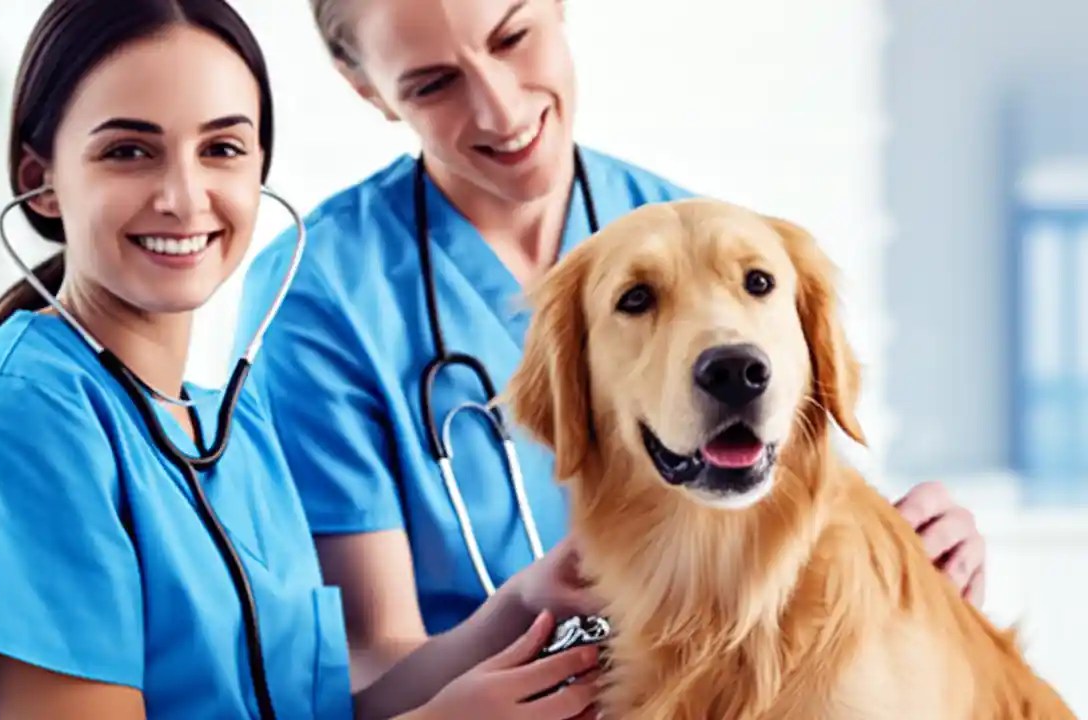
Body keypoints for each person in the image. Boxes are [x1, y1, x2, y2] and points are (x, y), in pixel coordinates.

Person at [0, 1, 607, 718]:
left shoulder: (227, 426)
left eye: (221, 149)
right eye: (129, 151)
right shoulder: (14, 416)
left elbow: (316, 707)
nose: (184, 197)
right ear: (43, 178)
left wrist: (520, 605)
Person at [234, 0, 989, 690]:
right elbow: (370, 664)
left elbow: (788, 520)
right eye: (434, 84)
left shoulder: (695, 234)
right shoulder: (321, 295)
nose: (501, 110)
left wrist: (909, 567)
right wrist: (518, 617)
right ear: (366, 88)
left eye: (514, 37)